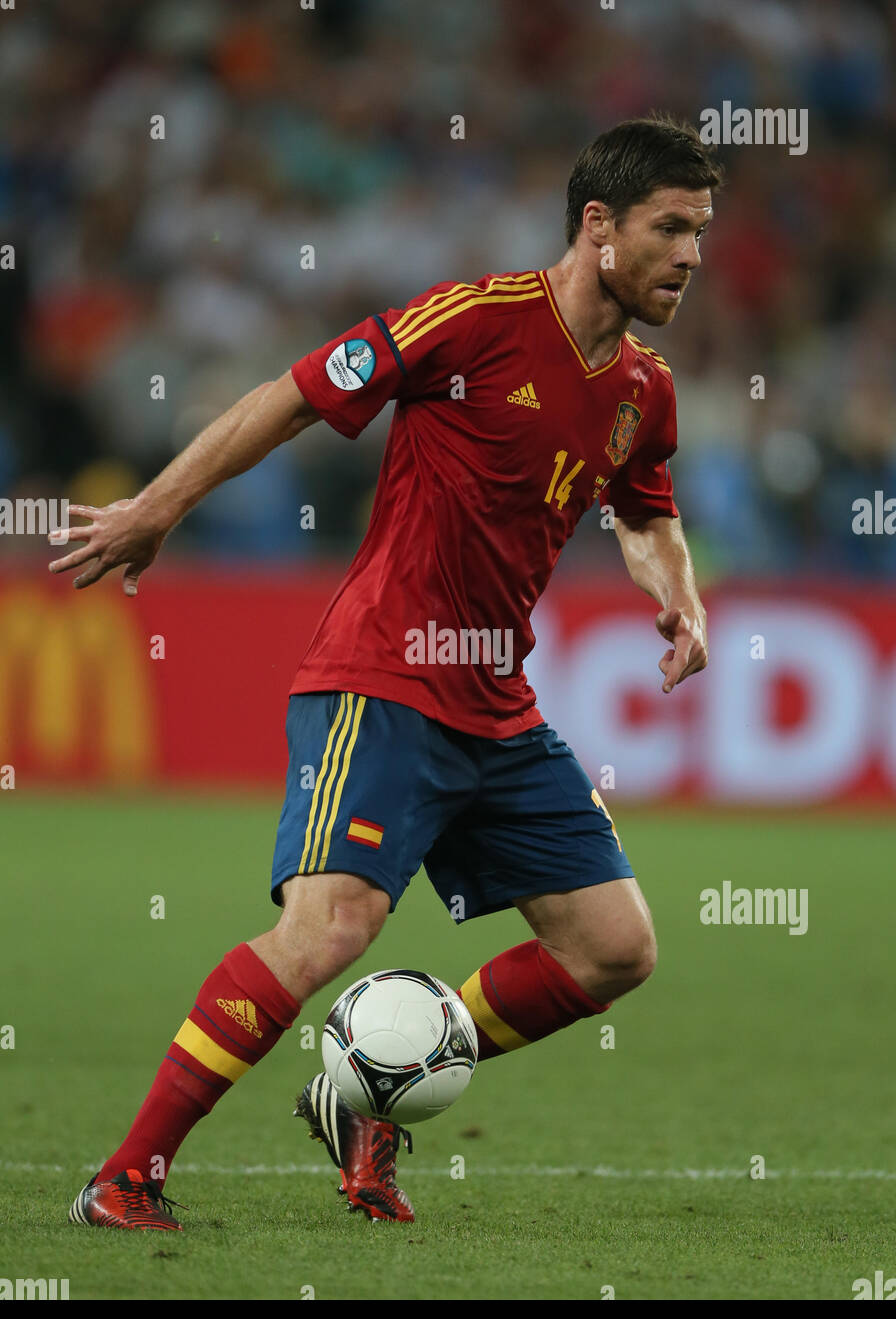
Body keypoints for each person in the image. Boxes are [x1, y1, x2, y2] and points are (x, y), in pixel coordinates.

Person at [53, 115, 719, 1229]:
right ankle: (126, 1175)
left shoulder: (644, 389)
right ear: (598, 226)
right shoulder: (477, 320)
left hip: (497, 703)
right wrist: (156, 505)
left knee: (615, 949)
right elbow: (295, 393)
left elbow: (645, 508)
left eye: (701, 231)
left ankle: (372, 1093)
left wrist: (678, 592)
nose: (693, 255)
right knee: (330, 930)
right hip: (382, 675)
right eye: (672, 227)